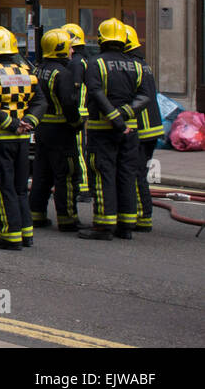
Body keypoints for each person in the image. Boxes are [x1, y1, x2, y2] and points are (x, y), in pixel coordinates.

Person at [81, 18, 151, 240]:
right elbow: (145, 96)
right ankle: (126, 224)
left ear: (101, 39)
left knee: (103, 174)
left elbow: (95, 92)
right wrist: (126, 116)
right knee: (127, 174)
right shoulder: (138, 65)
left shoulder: (96, 63)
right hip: (130, 132)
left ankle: (103, 225)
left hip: (102, 130)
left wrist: (114, 117)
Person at [0, 26, 42, 250]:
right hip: (23, 139)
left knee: (3, 186)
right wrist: (29, 122)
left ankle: (10, 235)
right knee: (20, 187)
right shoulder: (27, 71)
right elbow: (41, 102)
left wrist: (11, 124)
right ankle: (26, 233)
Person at [28, 29, 86, 233]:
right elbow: (69, 103)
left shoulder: (38, 69)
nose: (72, 50)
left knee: (42, 173)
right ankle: (67, 218)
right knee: (67, 175)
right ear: (60, 48)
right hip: (61, 131)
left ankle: (36, 214)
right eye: (69, 46)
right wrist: (77, 123)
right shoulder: (63, 73)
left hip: (42, 129)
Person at [123, 24, 159, 233]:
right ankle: (142, 215)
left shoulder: (131, 66)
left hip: (142, 128)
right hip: (150, 128)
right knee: (140, 172)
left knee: (135, 173)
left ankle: (142, 216)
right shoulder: (141, 64)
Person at [64, 23, 95, 203]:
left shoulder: (76, 63)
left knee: (78, 150)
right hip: (84, 111)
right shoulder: (83, 59)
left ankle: (83, 188)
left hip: (80, 111)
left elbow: (74, 89)